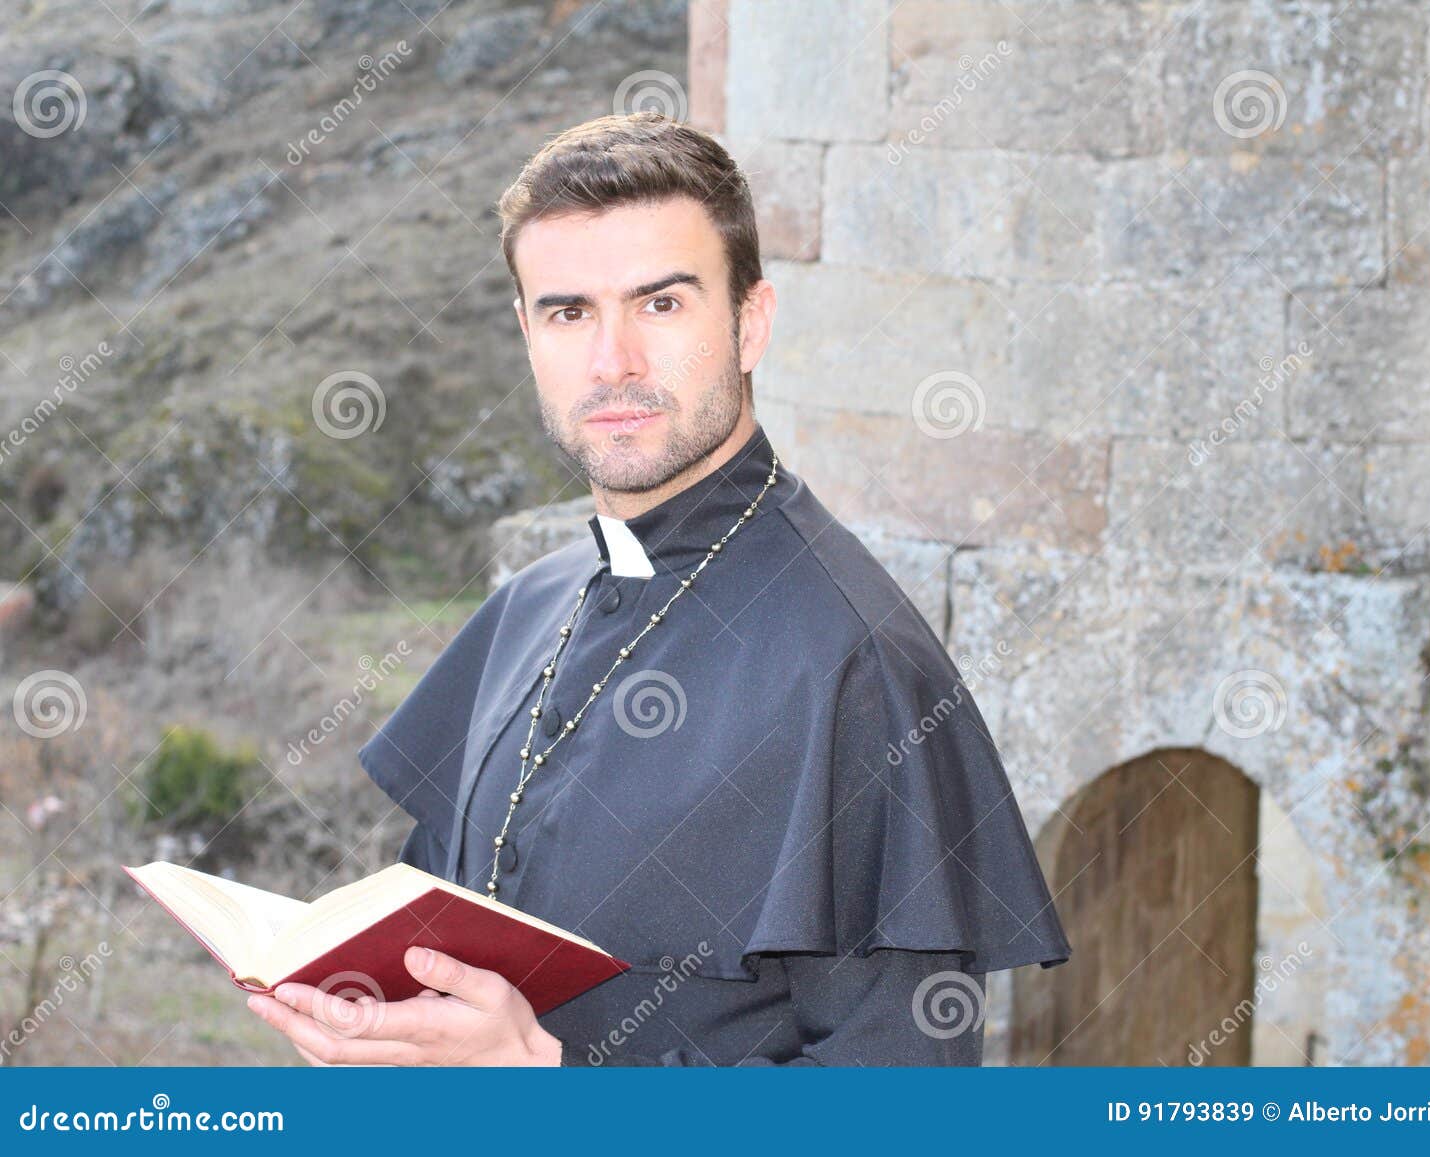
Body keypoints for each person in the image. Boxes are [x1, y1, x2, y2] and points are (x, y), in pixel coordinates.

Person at [246, 111, 1070, 1066]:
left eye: (662, 304)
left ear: (749, 322)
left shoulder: (858, 666)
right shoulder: (527, 606)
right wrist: (368, 1023)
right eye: (569, 312)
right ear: (526, 334)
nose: (614, 362)